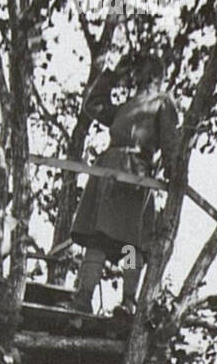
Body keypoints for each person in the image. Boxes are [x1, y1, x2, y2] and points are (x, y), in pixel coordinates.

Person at [71, 56, 178, 314]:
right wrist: (113, 76)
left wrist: (173, 174)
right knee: (97, 239)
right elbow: (93, 106)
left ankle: (129, 301)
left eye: (140, 74)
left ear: (153, 77)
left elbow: (170, 141)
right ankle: (84, 296)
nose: (137, 79)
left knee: (130, 243)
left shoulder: (162, 102)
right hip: (108, 173)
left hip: (135, 175)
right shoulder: (126, 107)